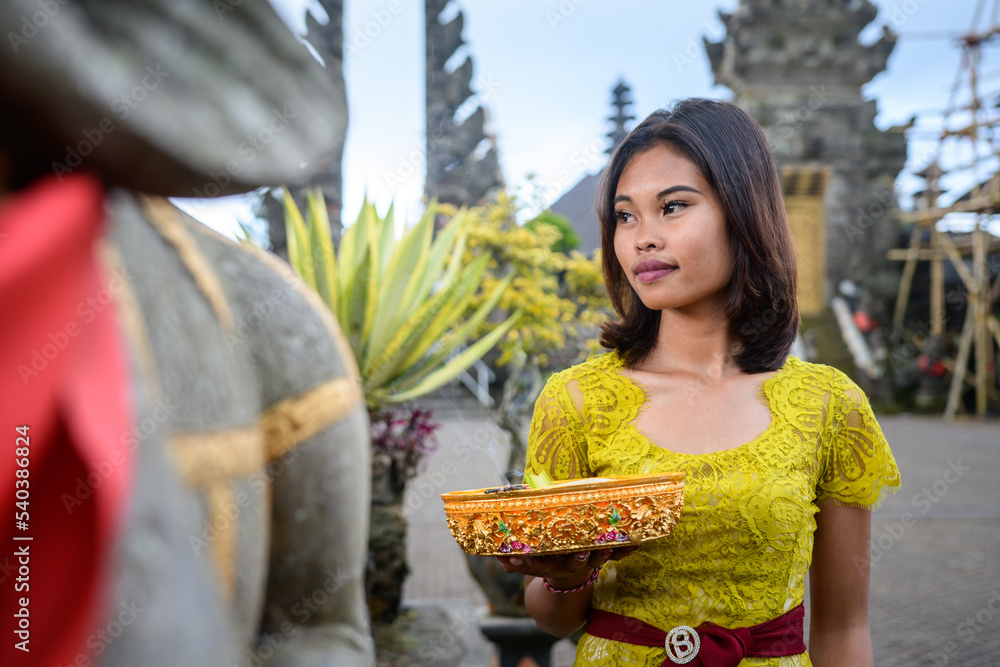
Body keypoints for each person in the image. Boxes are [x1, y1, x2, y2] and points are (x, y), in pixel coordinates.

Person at [498, 98, 900, 667]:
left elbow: (844, 628)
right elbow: (552, 618)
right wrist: (565, 576)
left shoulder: (830, 404)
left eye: (673, 207)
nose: (643, 238)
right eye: (625, 216)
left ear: (743, 212)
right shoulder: (576, 400)